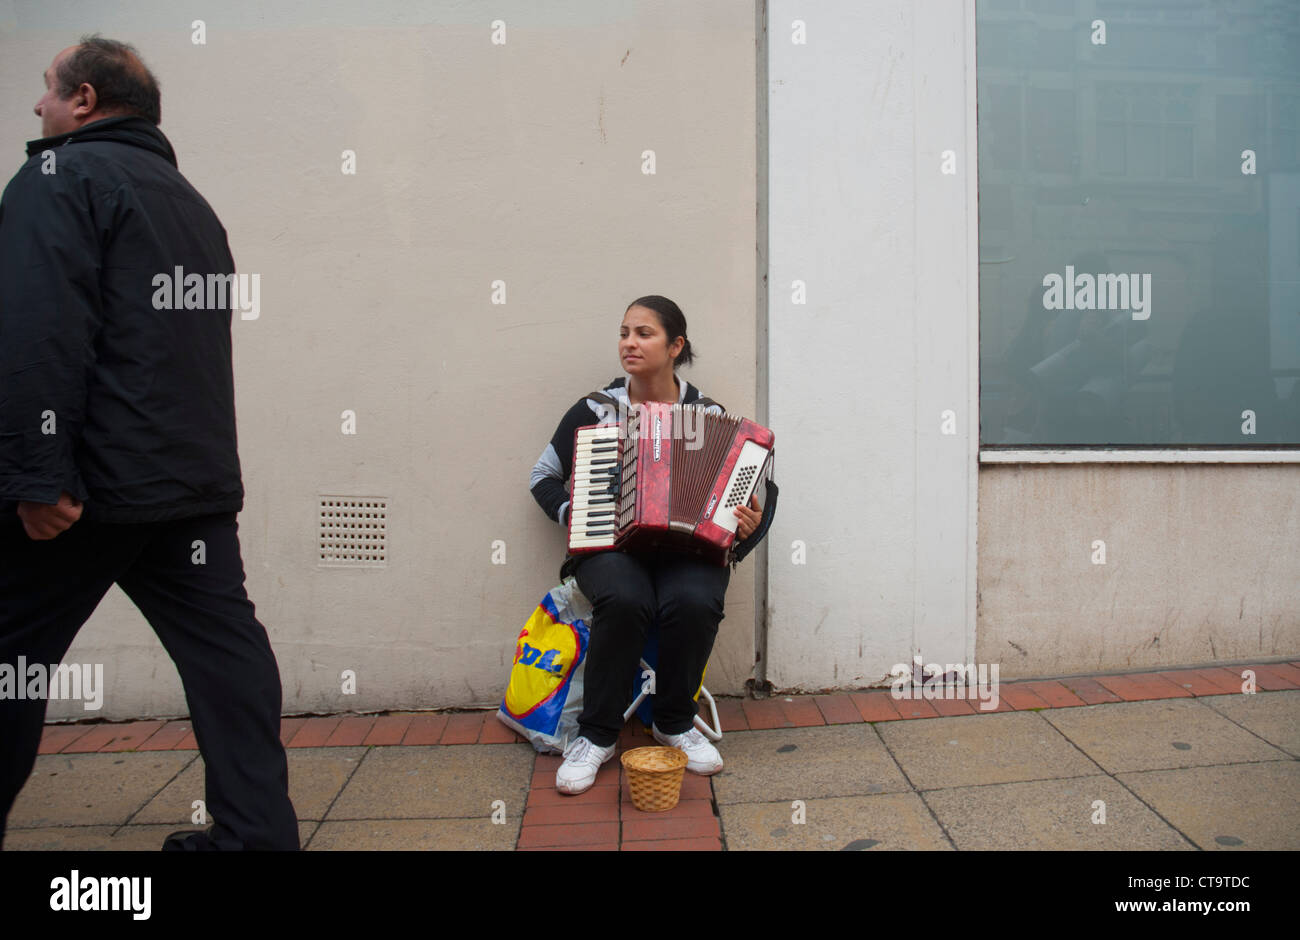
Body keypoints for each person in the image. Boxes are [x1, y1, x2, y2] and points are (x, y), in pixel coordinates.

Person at [0, 36, 299, 850]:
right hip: (188, 487)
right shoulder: (187, 200)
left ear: (86, 100)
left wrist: (33, 475)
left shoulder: (56, 178)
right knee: (227, 659)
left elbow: (37, 333)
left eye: (47, 91)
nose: (38, 106)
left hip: (86, 490)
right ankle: (256, 838)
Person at [529, 296, 762, 794]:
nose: (629, 343)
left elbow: (742, 500)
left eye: (643, 333)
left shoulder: (706, 414)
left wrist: (745, 523)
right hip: (610, 550)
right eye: (624, 333)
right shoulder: (595, 409)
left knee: (696, 600)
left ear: (676, 346)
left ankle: (673, 722)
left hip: (687, 551)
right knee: (626, 597)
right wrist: (581, 514)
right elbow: (543, 476)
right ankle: (597, 736)